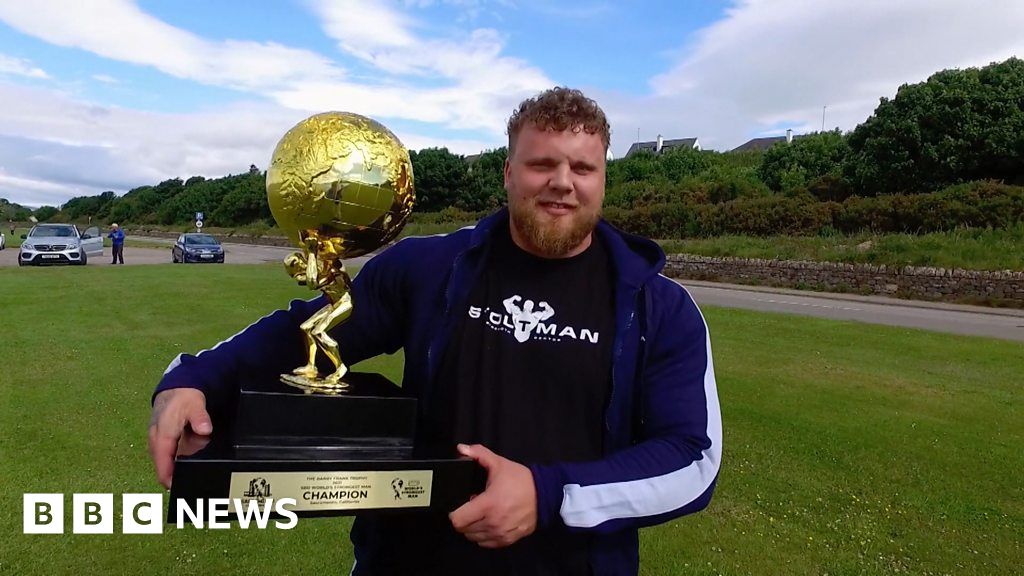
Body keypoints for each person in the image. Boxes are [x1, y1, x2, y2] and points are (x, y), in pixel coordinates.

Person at [148, 87, 722, 576]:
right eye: (542, 164)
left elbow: (691, 459)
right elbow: (307, 331)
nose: (561, 183)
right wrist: (196, 378)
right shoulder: (428, 268)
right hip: (406, 559)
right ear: (508, 172)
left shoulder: (659, 307)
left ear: (603, 178)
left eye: (582, 167)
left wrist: (549, 493)